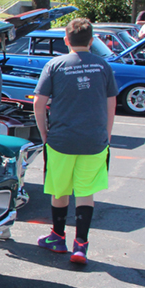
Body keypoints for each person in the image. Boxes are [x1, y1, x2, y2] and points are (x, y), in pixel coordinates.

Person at [33, 18, 118, 264]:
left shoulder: (55, 65)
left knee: (59, 190)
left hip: (61, 139)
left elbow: (39, 103)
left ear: (66, 40)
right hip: (94, 140)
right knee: (86, 191)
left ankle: (57, 237)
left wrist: (44, 133)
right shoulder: (103, 66)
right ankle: (81, 245)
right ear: (92, 41)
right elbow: (111, 102)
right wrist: (107, 134)